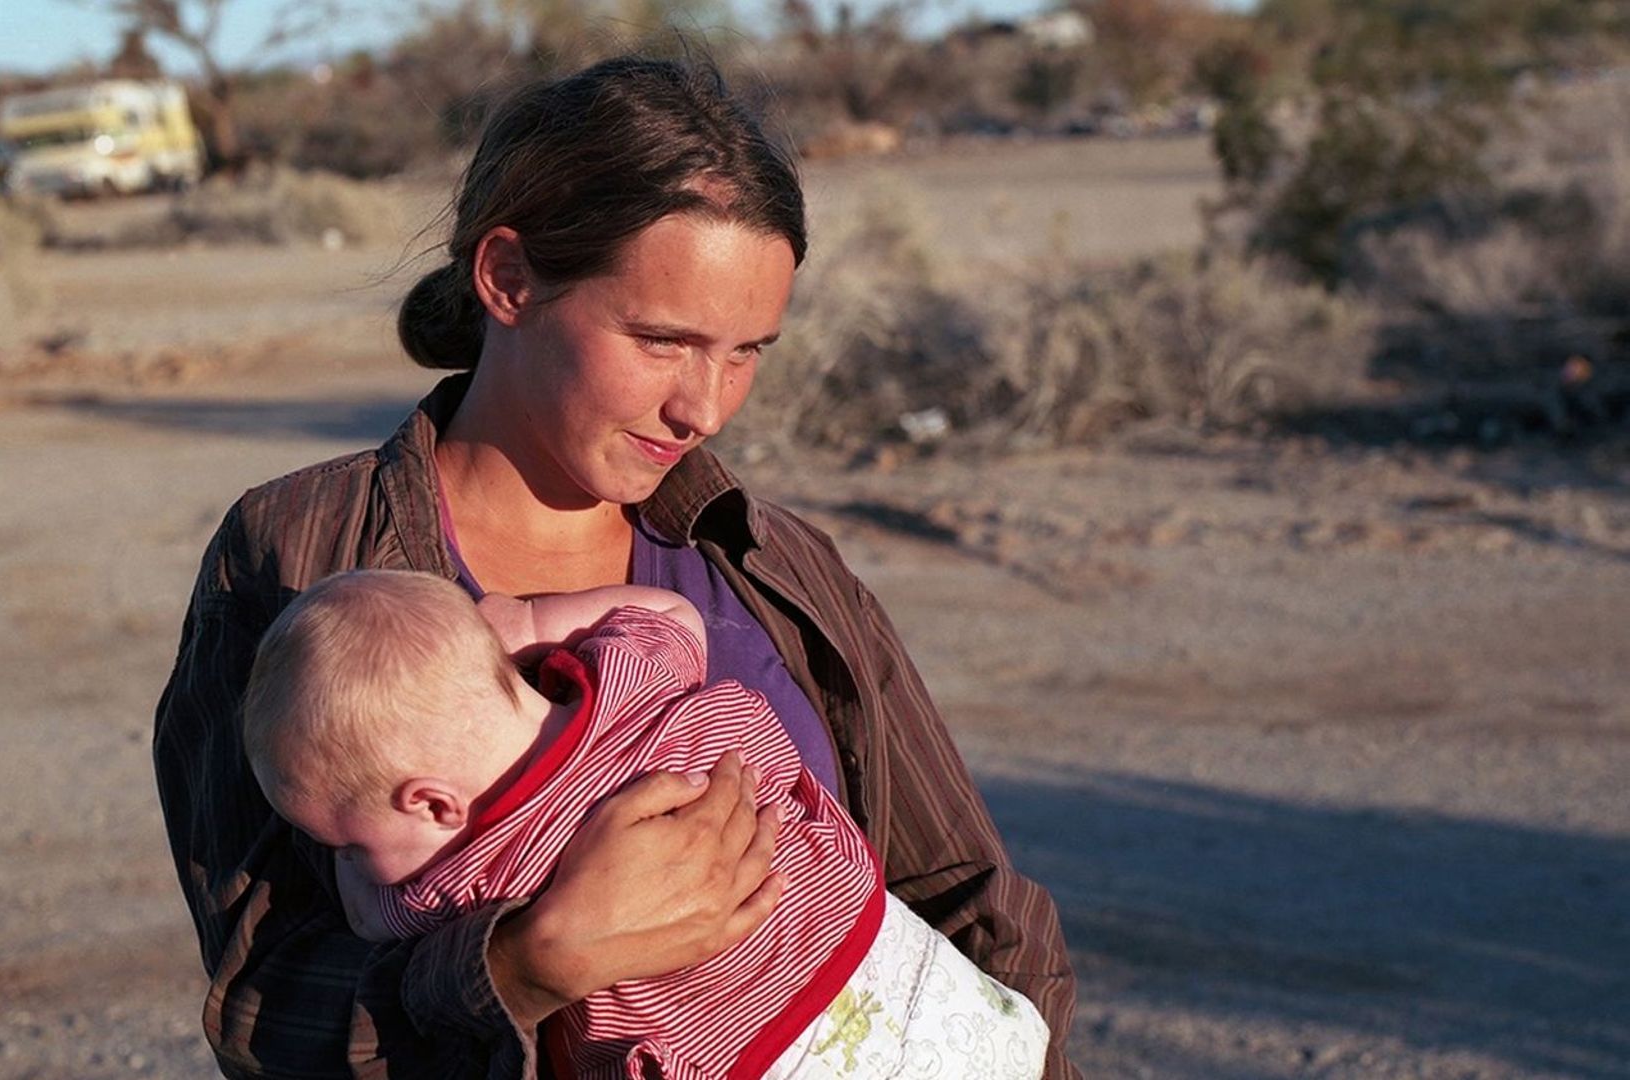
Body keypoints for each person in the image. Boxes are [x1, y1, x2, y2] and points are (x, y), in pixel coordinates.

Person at [153, 54, 1081, 1079]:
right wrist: (526, 963)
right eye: (662, 340)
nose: (707, 406)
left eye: (747, 351)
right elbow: (264, 1010)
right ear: (507, 279)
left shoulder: (769, 562)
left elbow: (969, 896)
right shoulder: (299, 559)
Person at [240, 570, 1050, 1079]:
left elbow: (370, 917)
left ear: (431, 803)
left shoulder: (468, 875)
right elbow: (667, 611)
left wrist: (359, 873)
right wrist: (523, 621)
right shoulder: (631, 677)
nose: (346, 860)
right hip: (923, 990)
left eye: (346, 841)